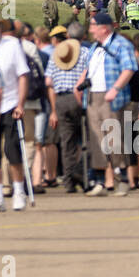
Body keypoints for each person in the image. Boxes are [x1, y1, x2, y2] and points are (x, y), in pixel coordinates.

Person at [80, 13, 137, 196]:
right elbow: (89, 69)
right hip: (93, 95)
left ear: (104, 27)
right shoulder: (95, 47)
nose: (90, 30)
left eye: (93, 25)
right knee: (97, 140)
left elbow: (129, 68)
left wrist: (116, 89)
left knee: (114, 138)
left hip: (111, 96)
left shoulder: (121, 44)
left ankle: (123, 180)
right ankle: (102, 181)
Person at [0, 12, 31, 211]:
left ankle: (19, 192)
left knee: (12, 150)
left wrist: (20, 104)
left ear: (0, 27)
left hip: (9, 104)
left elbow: (23, 75)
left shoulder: (12, 45)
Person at [47, 31, 89, 193]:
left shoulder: (55, 54)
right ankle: (80, 172)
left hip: (60, 100)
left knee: (67, 142)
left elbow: (48, 82)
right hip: (79, 98)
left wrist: (53, 109)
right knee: (87, 139)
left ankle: (69, 181)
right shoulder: (85, 53)